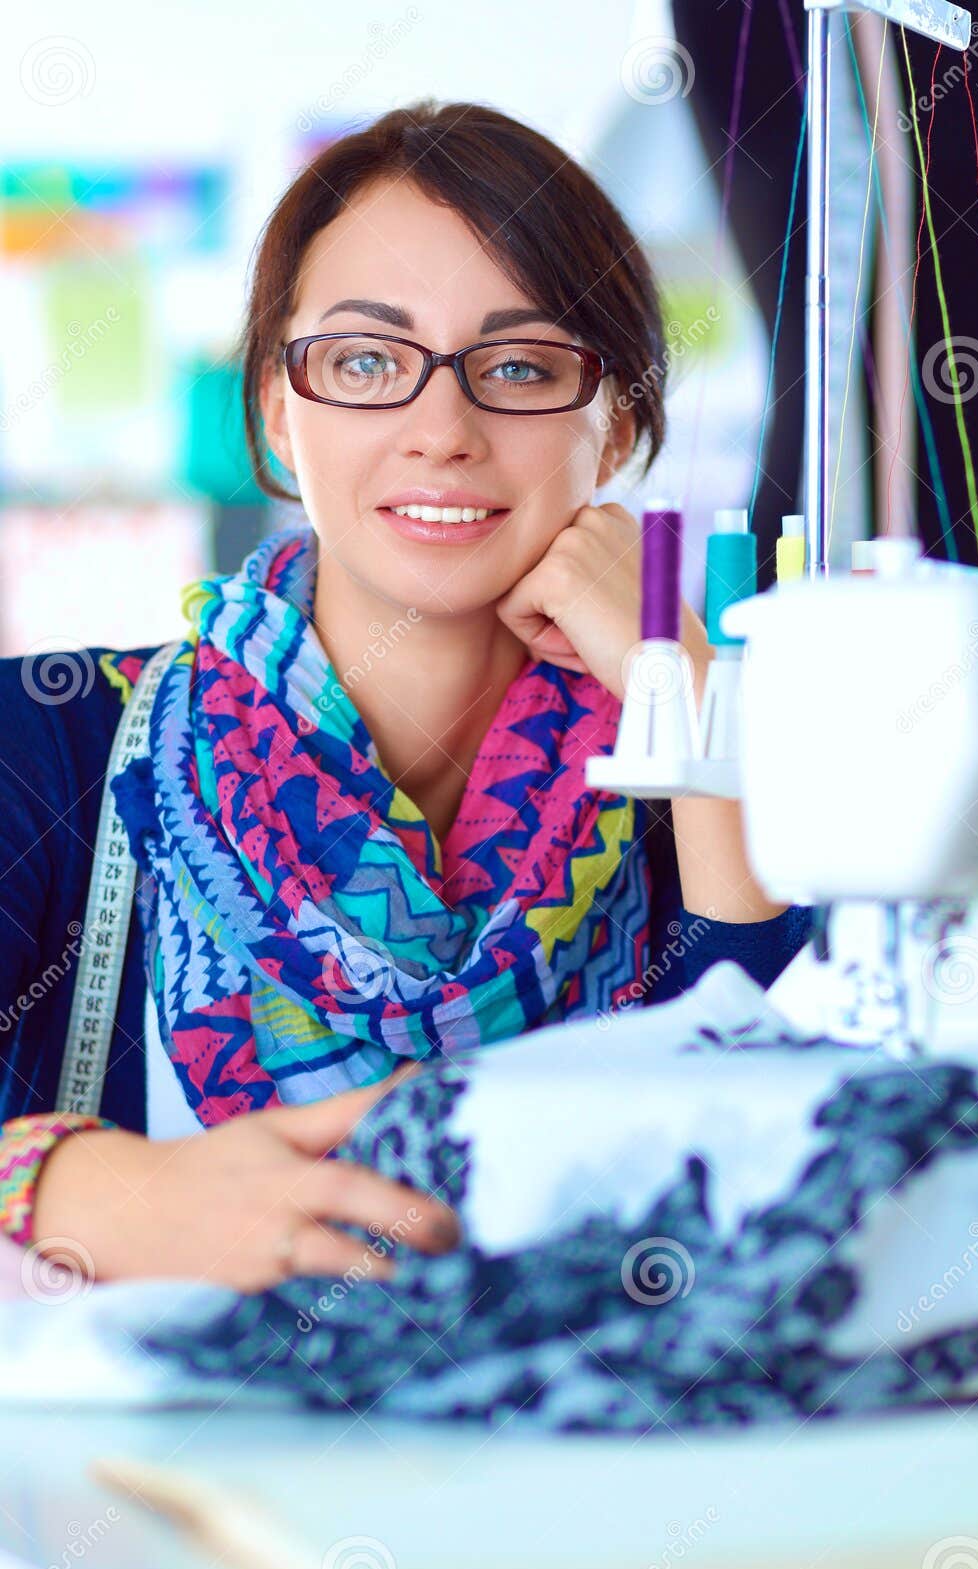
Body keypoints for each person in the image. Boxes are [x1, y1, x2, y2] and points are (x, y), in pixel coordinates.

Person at [0, 100, 810, 1291]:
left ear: (618, 427)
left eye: (522, 365)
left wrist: (678, 691)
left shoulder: (702, 788)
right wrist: (79, 1192)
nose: (442, 428)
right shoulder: (46, 744)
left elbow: (799, 1179)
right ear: (279, 413)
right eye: (367, 360)